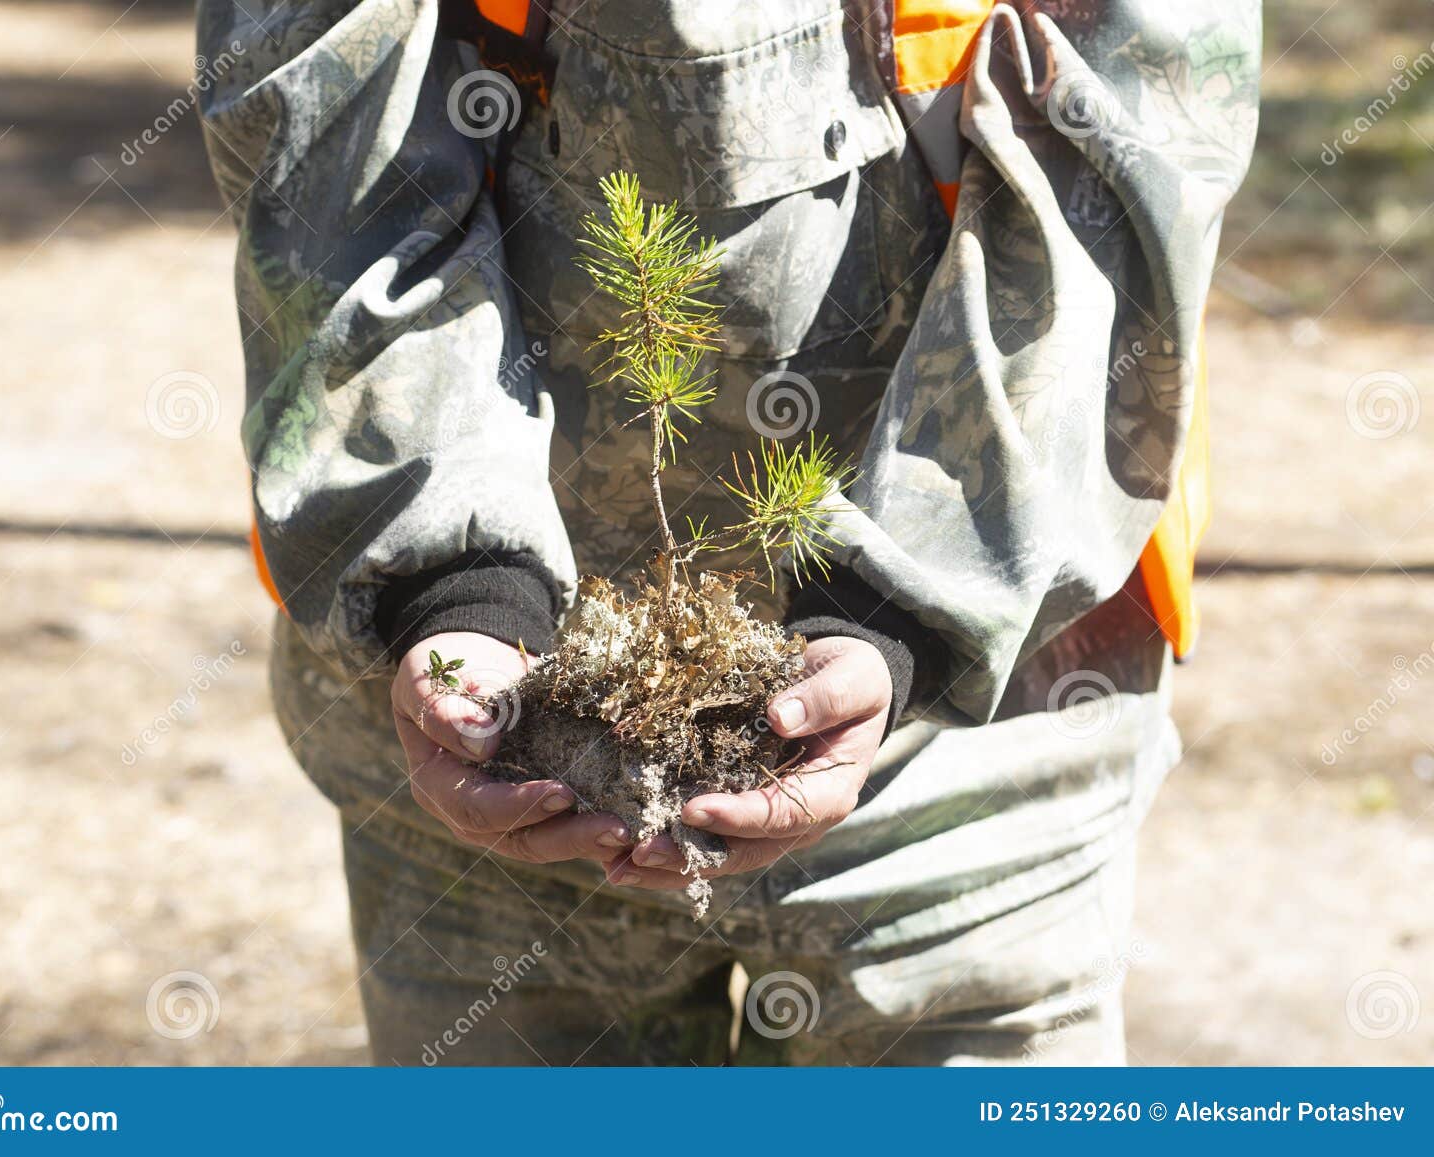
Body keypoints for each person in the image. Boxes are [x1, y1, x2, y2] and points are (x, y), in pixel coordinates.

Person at [195, 0, 1259, 1065]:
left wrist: (907, 608)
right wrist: (453, 583)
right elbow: (321, 132)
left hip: (987, 754)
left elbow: (1138, 119)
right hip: (487, 773)